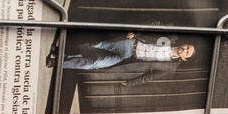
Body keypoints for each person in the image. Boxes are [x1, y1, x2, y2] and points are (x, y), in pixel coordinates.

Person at [59, 31, 196, 81]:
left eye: (187, 53)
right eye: (187, 47)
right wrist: (136, 33)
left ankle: (59, 63)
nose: (184, 50)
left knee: (94, 64)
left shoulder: (170, 67)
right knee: (96, 45)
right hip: (129, 44)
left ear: (184, 58)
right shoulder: (171, 37)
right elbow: (154, 26)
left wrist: (131, 83)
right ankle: (62, 51)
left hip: (127, 57)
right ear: (185, 44)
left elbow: (150, 76)